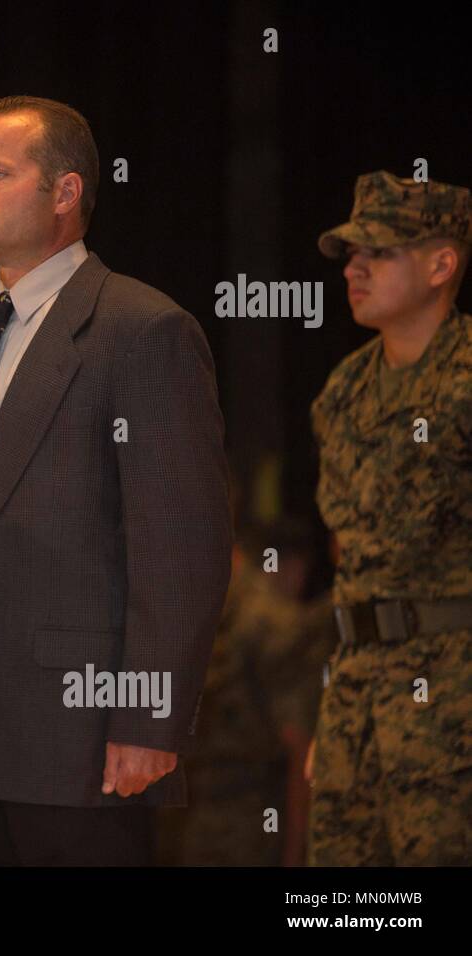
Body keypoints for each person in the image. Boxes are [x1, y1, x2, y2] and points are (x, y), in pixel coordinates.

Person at [0, 95, 230, 865]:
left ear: (65, 193)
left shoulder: (141, 329)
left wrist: (147, 718)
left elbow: (180, 544)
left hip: (88, 742)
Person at [308, 170, 471, 865]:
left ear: (441, 265)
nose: (356, 267)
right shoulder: (344, 391)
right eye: (351, 253)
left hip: (454, 696)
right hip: (358, 692)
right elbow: (354, 557)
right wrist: (340, 703)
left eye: (380, 252)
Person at [156, 541, 312, 866]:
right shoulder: (186, 615)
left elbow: (301, 753)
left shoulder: (268, 623)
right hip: (190, 824)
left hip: (250, 832)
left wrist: (294, 859)